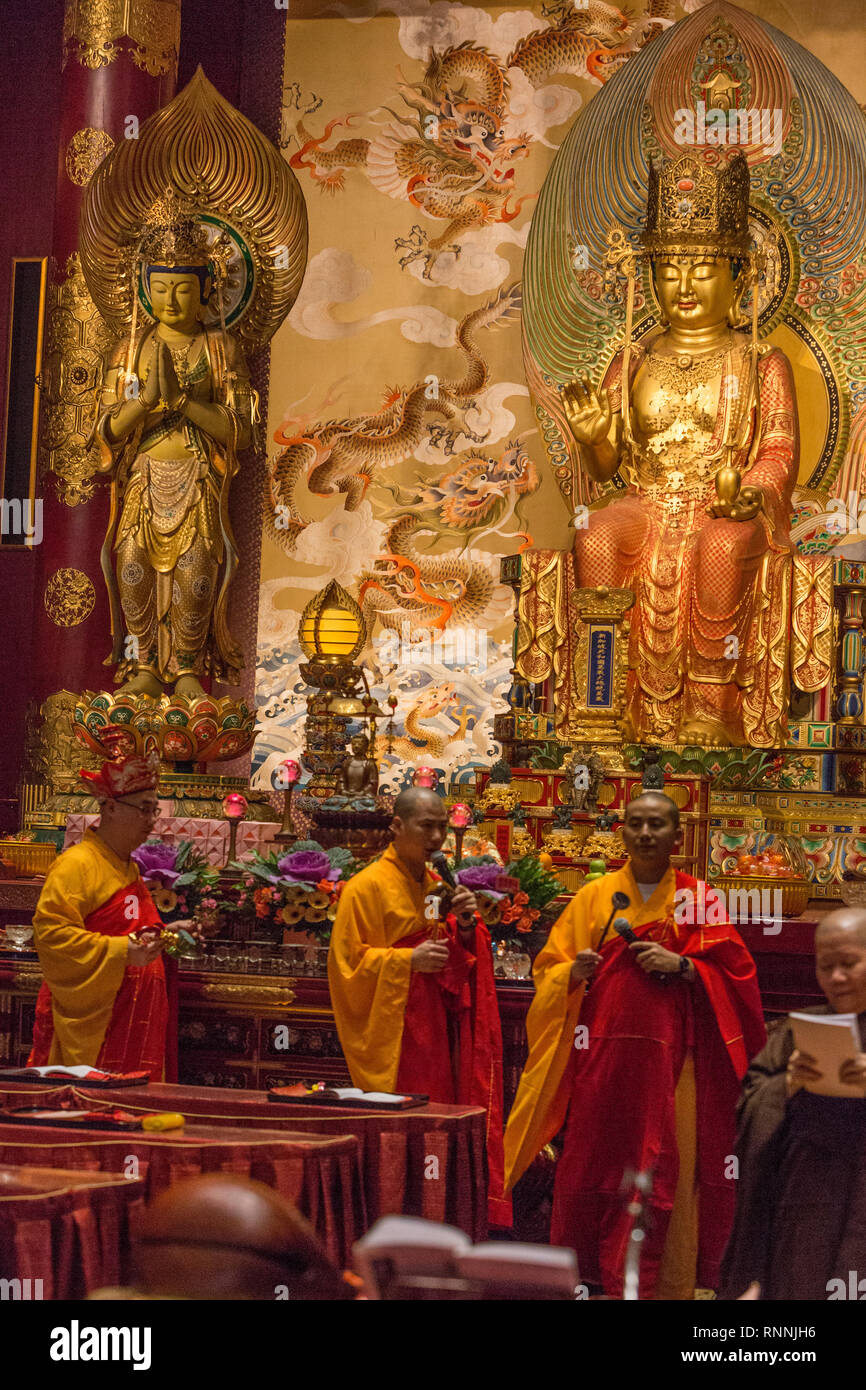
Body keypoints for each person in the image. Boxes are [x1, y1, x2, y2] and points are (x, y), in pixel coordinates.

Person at [504, 790, 765, 1298]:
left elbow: (738, 974)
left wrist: (686, 967)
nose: (646, 834)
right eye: (636, 824)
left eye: (657, 825)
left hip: (676, 1063)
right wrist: (571, 974)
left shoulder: (698, 898)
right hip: (604, 1059)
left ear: (677, 835)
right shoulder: (595, 896)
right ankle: (587, 1280)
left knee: (671, 1168)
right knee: (596, 1166)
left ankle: (666, 1285)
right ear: (622, 831)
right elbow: (549, 970)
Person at [328, 786, 509, 1225]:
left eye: (442, 827)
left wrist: (465, 926)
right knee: (399, 1134)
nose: (436, 837)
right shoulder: (366, 887)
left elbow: (449, 956)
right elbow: (346, 965)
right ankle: (391, 1225)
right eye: (426, 826)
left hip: (433, 1030)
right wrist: (406, 960)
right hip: (392, 1032)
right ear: (397, 826)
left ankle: (434, 1224)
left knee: (431, 1129)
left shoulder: (434, 885)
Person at [720, 908, 866, 1301]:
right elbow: (750, 1102)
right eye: (825, 966)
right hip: (804, 1205)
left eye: (849, 964)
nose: (836, 978)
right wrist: (787, 1085)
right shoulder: (798, 1029)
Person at [28, 751, 168, 1081]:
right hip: (93, 1019)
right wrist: (121, 952)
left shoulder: (127, 866)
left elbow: (137, 926)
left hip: (131, 1015)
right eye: (144, 809)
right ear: (110, 807)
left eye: (154, 809)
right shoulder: (77, 864)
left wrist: (168, 932)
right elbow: (51, 935)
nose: (151, 820)